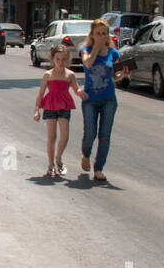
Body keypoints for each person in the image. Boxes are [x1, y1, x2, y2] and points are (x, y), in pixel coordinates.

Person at [78, 19, 128, 183]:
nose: (101, 36)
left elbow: (115, 76)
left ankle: (99, 168)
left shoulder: (113, 53)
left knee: (104, 135)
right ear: (92, 34)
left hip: (108, 99)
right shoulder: (85, 50)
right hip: (90, 99)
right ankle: (85, 154)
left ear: (108, 35)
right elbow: (88, 63)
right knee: (90, 134)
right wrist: (97, 47)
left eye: (104, 33)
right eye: (98, 33)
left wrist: (122, 75)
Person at [33, 44, 86, 177]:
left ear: (67, 60)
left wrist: (81, 93)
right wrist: (36, 110)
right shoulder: (48, 75)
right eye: (58, 59)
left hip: (64, 106)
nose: (61, 62)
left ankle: (58, 158)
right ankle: (50, 165)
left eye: (64, 59)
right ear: (53, 59)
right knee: (52, 137)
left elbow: (76, 89)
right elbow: (41, 93)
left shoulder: (70, 75)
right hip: (50, 106)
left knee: (65, 136)